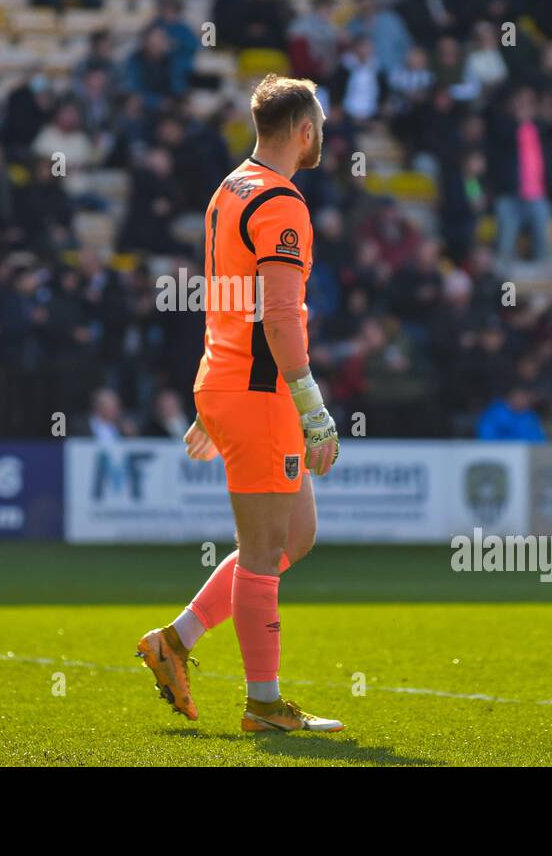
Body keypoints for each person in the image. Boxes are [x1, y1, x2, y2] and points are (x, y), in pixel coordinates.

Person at [136, 74, 343, 734]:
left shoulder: (230, 188)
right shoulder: (282, 202)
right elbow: (281, 318)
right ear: (304, 131)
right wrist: (313, 406)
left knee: (294, 537)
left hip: (232, 380)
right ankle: (264, 704)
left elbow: (228, 298)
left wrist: (213, 395)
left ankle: (176, 639)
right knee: (262, 551)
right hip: (259, 391)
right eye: (321, 127)